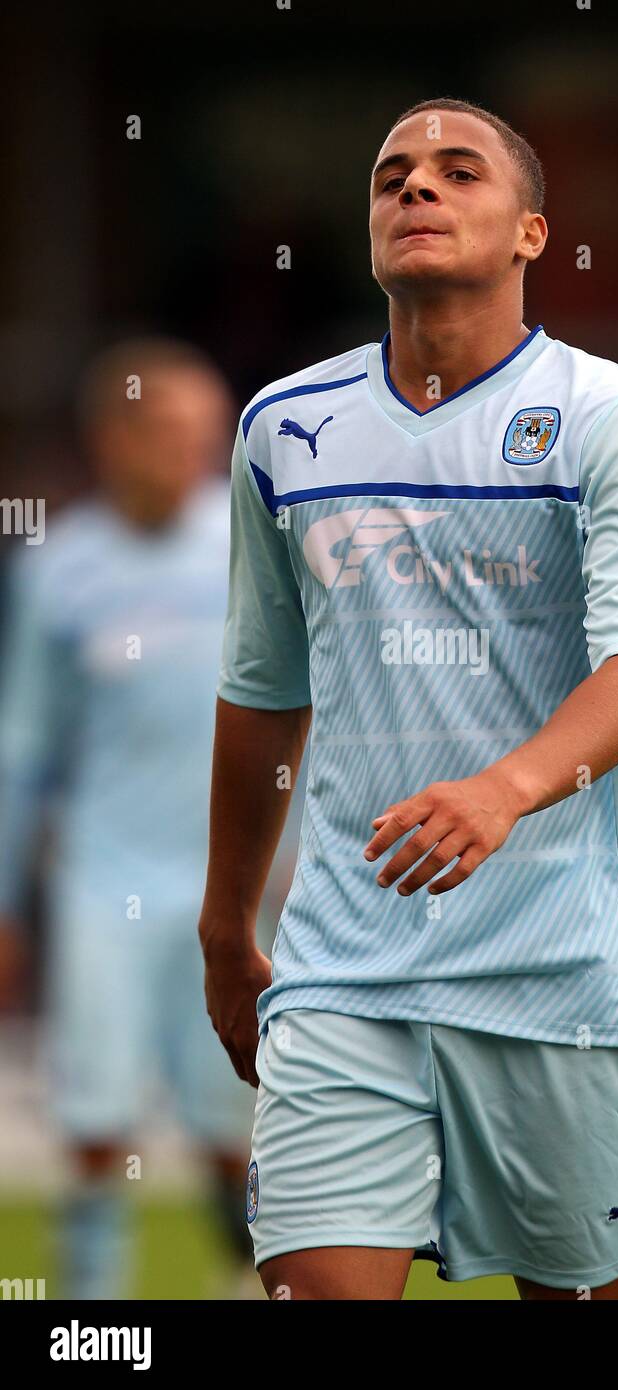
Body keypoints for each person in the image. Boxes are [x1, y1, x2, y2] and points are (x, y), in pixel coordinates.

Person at [199, 97, 618, 1301]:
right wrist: (227, 923)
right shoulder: (286, 429)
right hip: (344, 967)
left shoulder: (610, 416)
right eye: (391, 174)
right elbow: (259, 692)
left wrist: (505, 791)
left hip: (562, 967)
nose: (414, 187)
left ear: (533, 232)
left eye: (455, 169)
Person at [0, 339, 256, 1299]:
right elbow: (21, 749)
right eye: (168, 430)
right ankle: (90, 1313)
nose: (191, 451)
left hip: (234, 879)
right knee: (96, 1124)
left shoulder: (249, 549)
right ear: (112, 439)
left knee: (233, 1121)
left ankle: (252, 1282)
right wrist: (7, 902)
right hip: (104, 881)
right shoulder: (59, 571)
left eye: (206, 431)